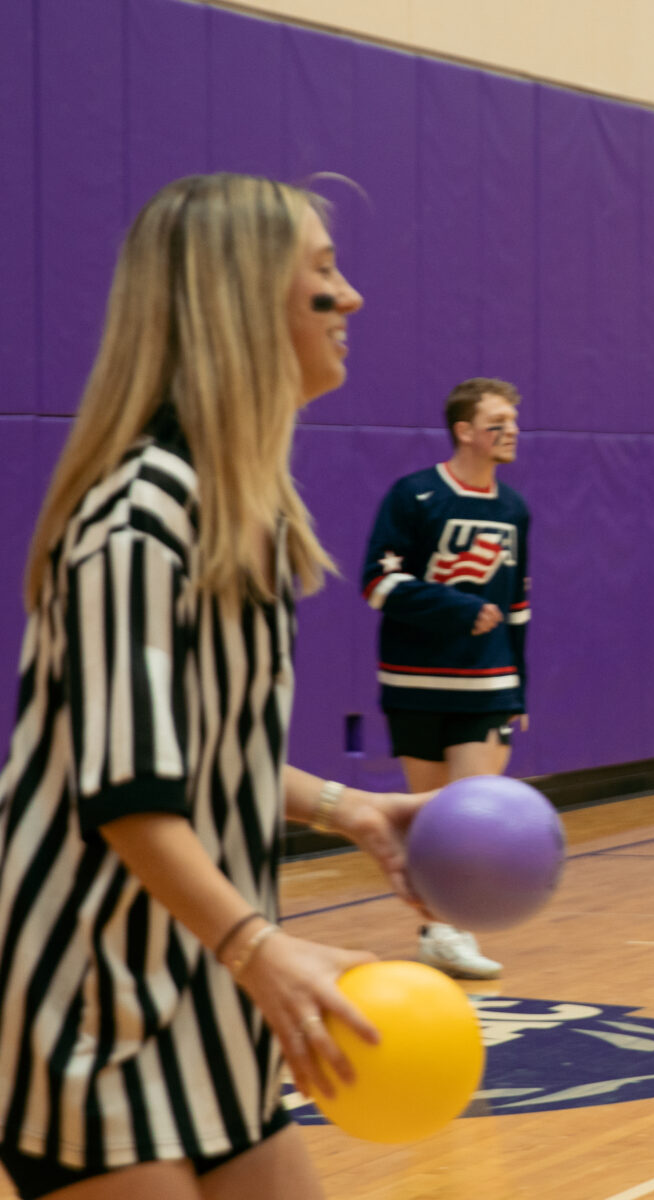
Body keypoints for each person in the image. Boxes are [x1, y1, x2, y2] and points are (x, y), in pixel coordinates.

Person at [0, 173, 429, 1200]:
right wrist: (258, 946)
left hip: (199, 979)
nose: (353, 298)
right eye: (323, 273)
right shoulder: (137, 521)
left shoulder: (240, 513)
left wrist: (347, 806)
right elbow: (123, 792)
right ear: (242, 304)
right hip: (92, 1001)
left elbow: (191, 749)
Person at [362, 378, 531, 980]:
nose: (511, 430)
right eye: (498, 420)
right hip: (414, 682)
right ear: (465, 430)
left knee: (468, 811)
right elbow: (378, 583)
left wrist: (520, 688)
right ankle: (437, 928)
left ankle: (456, 928)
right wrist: (458, 607)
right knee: (430, 819)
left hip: (486, 683)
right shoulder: (414, 497)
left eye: (514, 420)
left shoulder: (514, 509)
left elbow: (518, 609)